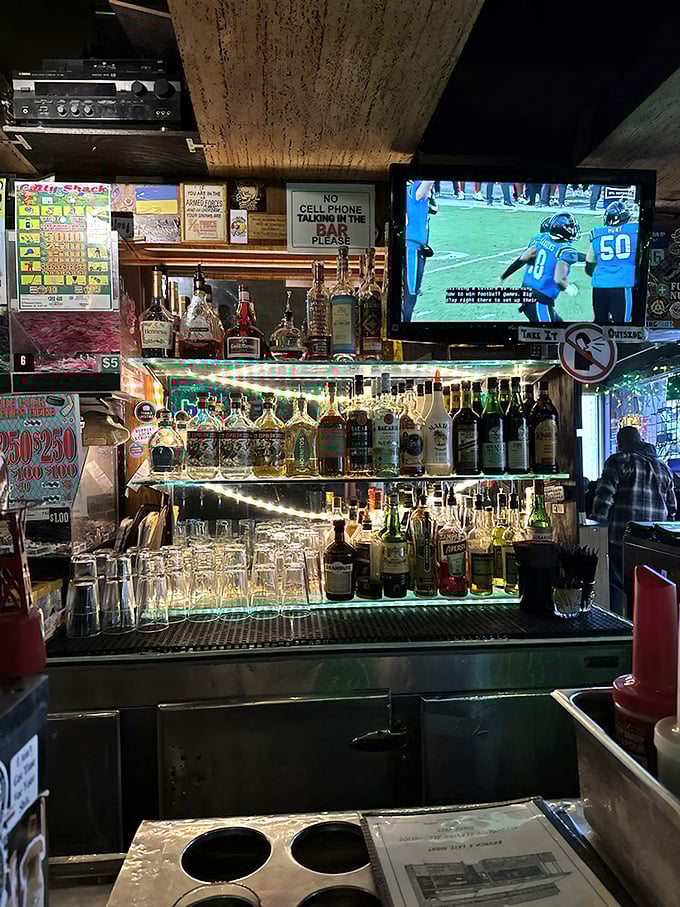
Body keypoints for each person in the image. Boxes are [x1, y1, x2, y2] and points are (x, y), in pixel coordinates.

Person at [591, 426, 676, 614]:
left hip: (621, 537)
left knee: (618, 585)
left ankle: (620, 627)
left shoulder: (619, 461)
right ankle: (647, 628)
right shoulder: (663, 467)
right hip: (654, 543)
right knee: (650, 586)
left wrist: (595, 527)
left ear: (620, 443)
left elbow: (604, 498)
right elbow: (672, 509)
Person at [499, 212, 581, 322]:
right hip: (539, 300)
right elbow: (559, 278)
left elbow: (522, 259)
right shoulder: (565, 250)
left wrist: (505, 275)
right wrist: (568, 288)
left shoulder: (539, 240)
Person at [585, 201, 639, 323]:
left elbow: (589, 262)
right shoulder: (635, 230)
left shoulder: (597, 233)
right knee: (622, 325)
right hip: (622, 284)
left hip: (599, 285)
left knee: (599, 323)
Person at [403, 179, 435, 321]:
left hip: (415, 247)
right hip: (413, 248)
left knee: (411, 289)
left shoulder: (414, 191)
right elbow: (427, 183)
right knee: (411, 291)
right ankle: (405, 325)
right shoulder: (414, 190)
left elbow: (434, 209)